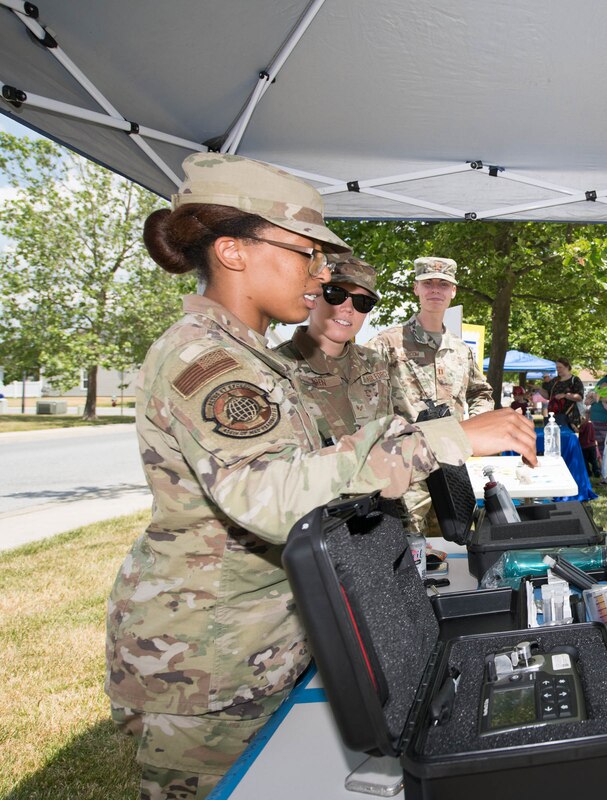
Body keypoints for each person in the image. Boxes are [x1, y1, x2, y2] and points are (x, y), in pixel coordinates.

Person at [105, 153, 536, 800]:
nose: (319, 274)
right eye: (306, 253)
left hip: (269, 636)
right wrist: (450, 436)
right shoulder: (207, 360)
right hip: (208, 665)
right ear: (233, 252)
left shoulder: (250, 358)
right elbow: (271, 495)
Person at [367, 257, 494, 532]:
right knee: (409, 541)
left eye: (443, 284)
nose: (435, 289)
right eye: (428, 283)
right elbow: (363, 393)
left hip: (452, 463)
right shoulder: (388, 343)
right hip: (408, 466)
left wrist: (474, 429)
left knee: (455, 537)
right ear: (416, 289)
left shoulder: (461, 350)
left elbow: (480, 392)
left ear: (453, 292)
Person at [274, 257, 389, 444]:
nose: (348, 308)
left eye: (363, 302)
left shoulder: (374, 362)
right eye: (335, 294)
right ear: (314, 296)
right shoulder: (278, 367)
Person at [543, 358, 584, 430]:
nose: (558, 369)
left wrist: (565, 395)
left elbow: (579, 397)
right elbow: (548, 396)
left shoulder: (575, 380)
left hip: (570, 417)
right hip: (554, 415)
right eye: (557, 368)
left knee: (568, 438)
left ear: (567, 367)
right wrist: (539, 389)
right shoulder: (555, 380)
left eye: (560, 367)